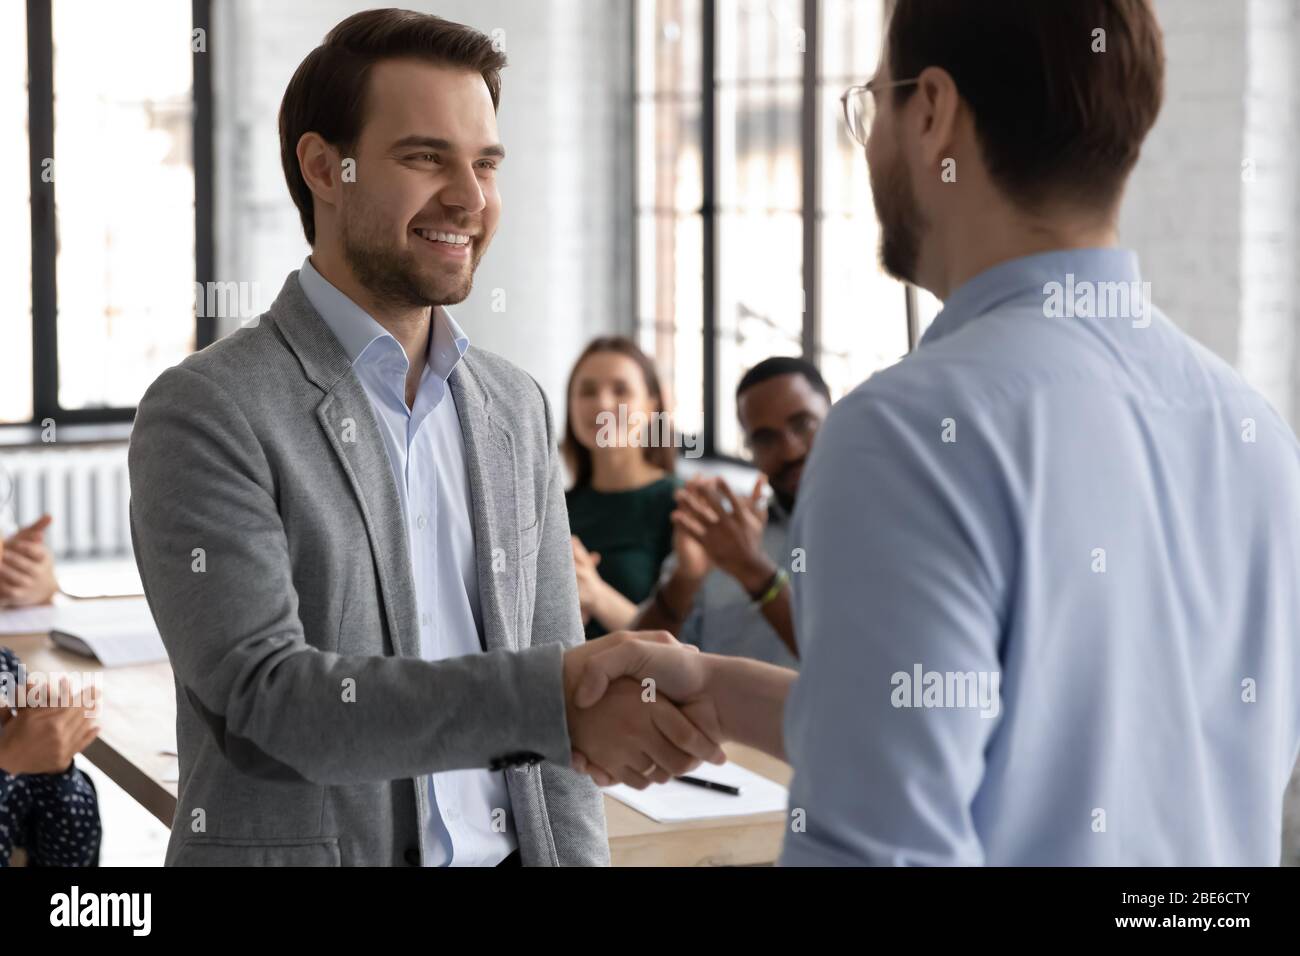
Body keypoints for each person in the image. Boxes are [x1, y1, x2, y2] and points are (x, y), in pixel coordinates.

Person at [571, 0, 1300, 866]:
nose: (869, 142)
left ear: (932, 112)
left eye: (873, 103)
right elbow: (998, 739)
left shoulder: (909, 433)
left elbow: (881, 846)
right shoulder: (1251, 428)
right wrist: (722, 692)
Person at [128, 9, 722, 868]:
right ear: (324, 168)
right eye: (426, 157)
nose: (470, 198)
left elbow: (559, 761)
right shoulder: (208, 410)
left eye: (485, 163)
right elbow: (269, 707)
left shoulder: (515, 408)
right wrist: (552, 697)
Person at [634, 357, 832, 665]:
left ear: (835, 416)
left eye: (803, 424)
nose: (791, 450)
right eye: (765, 438)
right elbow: (639, 658)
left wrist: (754, 572)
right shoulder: (725, 539)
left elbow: (851, 667)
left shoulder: (884, 528)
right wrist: (684, 580)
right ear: (750, 450)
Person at [562, 337, 680, 638]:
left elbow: (692, 644)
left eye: (621, 390)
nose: (602, 403)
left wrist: (596, 595)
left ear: (652, 406)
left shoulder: (682, 505)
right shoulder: (554, 508)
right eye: (587, 391)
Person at [0, 648, 102, 867]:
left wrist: (55, 771)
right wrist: (8, 761)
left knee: (82, 784)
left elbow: (69, 858)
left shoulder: (4, 670)